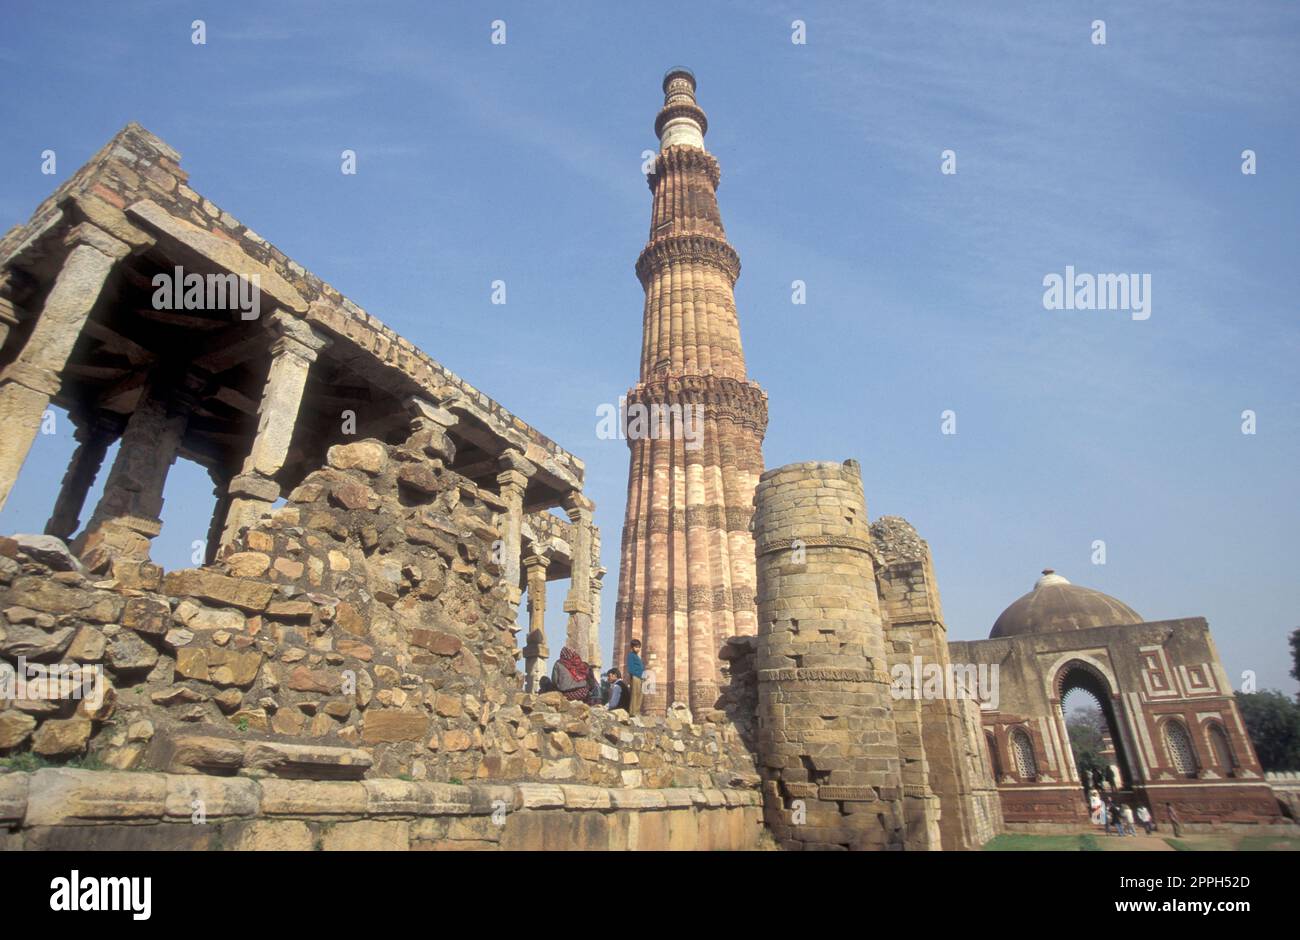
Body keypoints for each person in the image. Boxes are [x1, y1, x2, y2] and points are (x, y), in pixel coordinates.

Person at [626, 638, 644, 715]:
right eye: (636, 647)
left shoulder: (637, 657)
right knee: (635, 694)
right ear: (632, 647)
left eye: (639, 647)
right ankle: (632, 712)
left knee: (640, 694)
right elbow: (630, 668)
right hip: (635, 677)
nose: (638, 648)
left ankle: (637, 711)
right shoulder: (631, 655)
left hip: (640, 678)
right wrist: (636, 675)